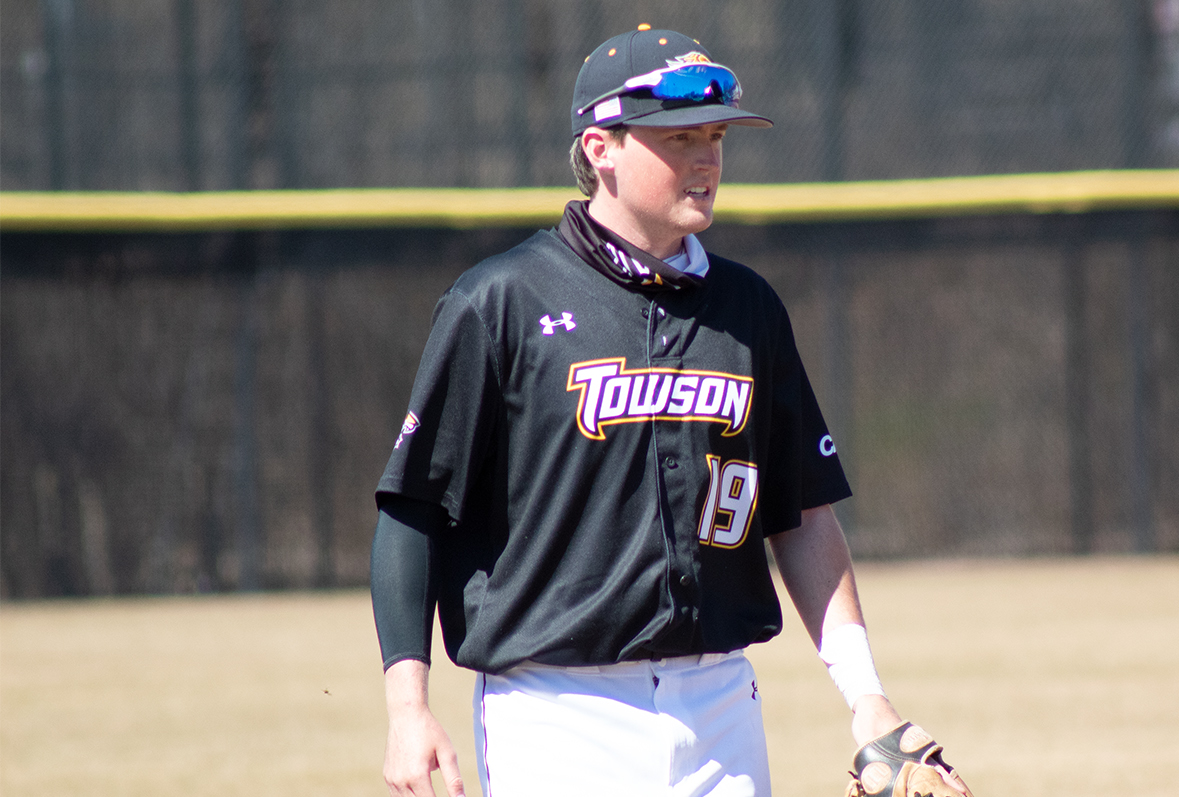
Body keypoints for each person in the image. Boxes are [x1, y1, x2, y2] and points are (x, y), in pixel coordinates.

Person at [372, 26, 968, 797]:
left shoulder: (747, 308)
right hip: (558, 710)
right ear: (600, 149)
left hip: (721, 701)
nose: (706, 158)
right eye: (677, 136)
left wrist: (866, 698)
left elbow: (802, 514)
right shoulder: (501, 301)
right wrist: (407, 708)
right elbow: (412, 510)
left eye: (715, 136)